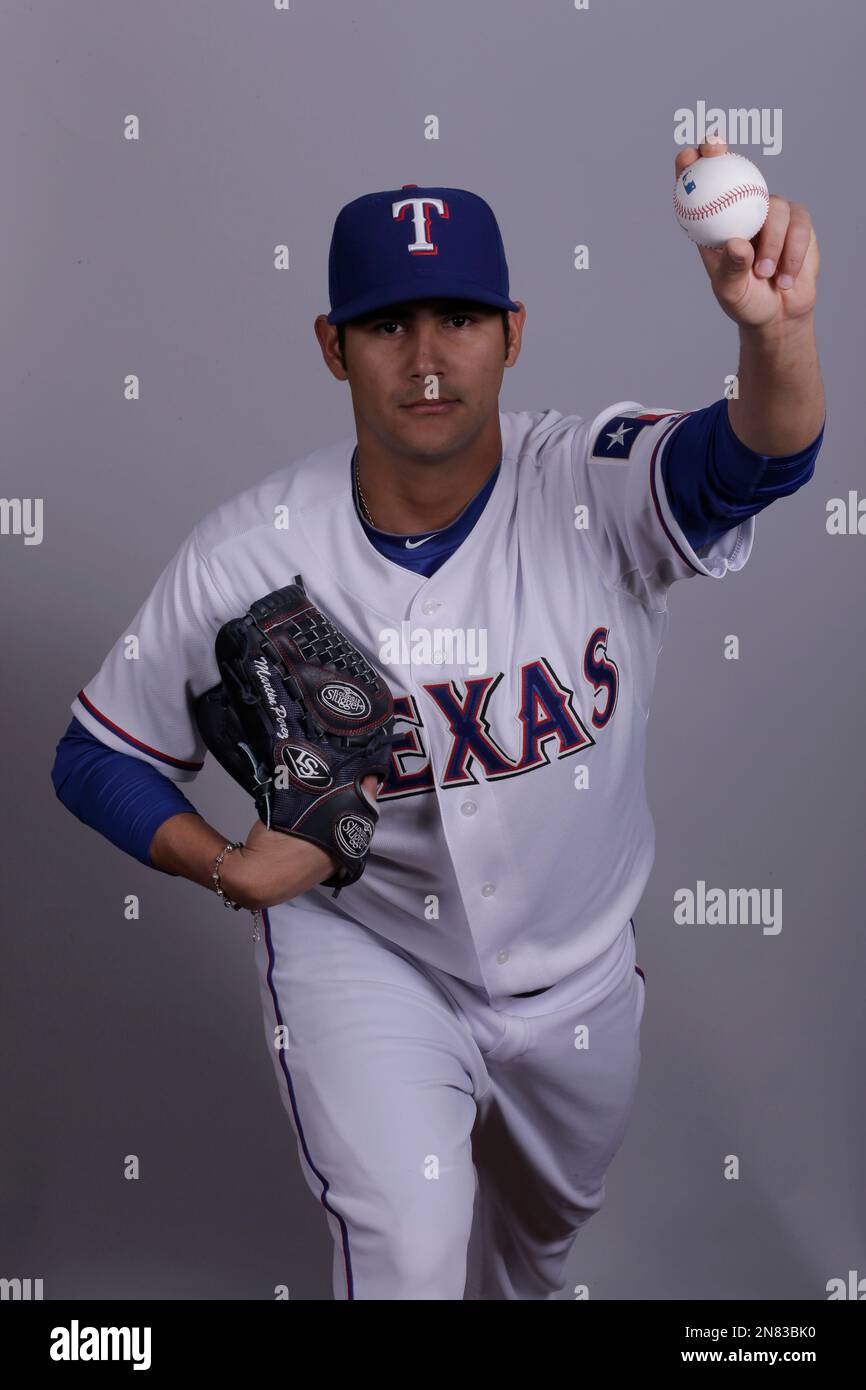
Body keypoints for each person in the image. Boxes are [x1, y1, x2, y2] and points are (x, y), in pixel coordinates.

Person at [51, 143, 825, 1299]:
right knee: (407, 1257)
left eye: (458, 319)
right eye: (386, 325)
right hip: (365, 952)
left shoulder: (591, 483)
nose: (426, 359)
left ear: (512, 332)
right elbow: (94, 754)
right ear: (332, 346)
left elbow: (757, 460)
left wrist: (771, 333)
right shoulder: (248, 548)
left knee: (536, 1256)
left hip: (576, 977)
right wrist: (223, 864)